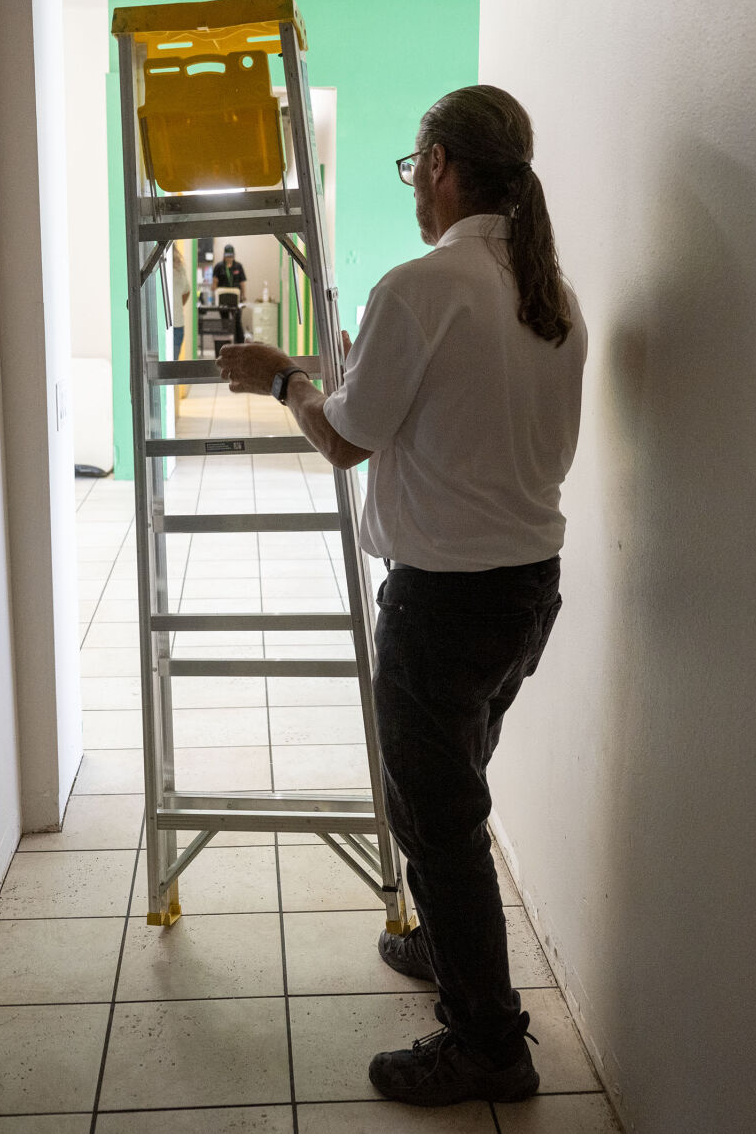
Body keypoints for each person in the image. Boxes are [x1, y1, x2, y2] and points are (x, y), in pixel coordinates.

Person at [217, 85, 586, 1108]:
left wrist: (281, 376)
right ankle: (447, 950)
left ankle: (487, 1045)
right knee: (444, 795)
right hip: (525, 596)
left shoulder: (423, 286)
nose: (412, 186)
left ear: (438, 167)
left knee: (439, 817)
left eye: (412, 168)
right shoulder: (550, 296)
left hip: (444, 607)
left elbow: (343, 439)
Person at [171, 244, 191, 357]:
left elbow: (187, 291)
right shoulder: (180, 267)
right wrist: (178, 305)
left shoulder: (176, 268)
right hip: (178, 324)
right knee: (172, 366)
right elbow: (187, 291)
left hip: (175, 325)